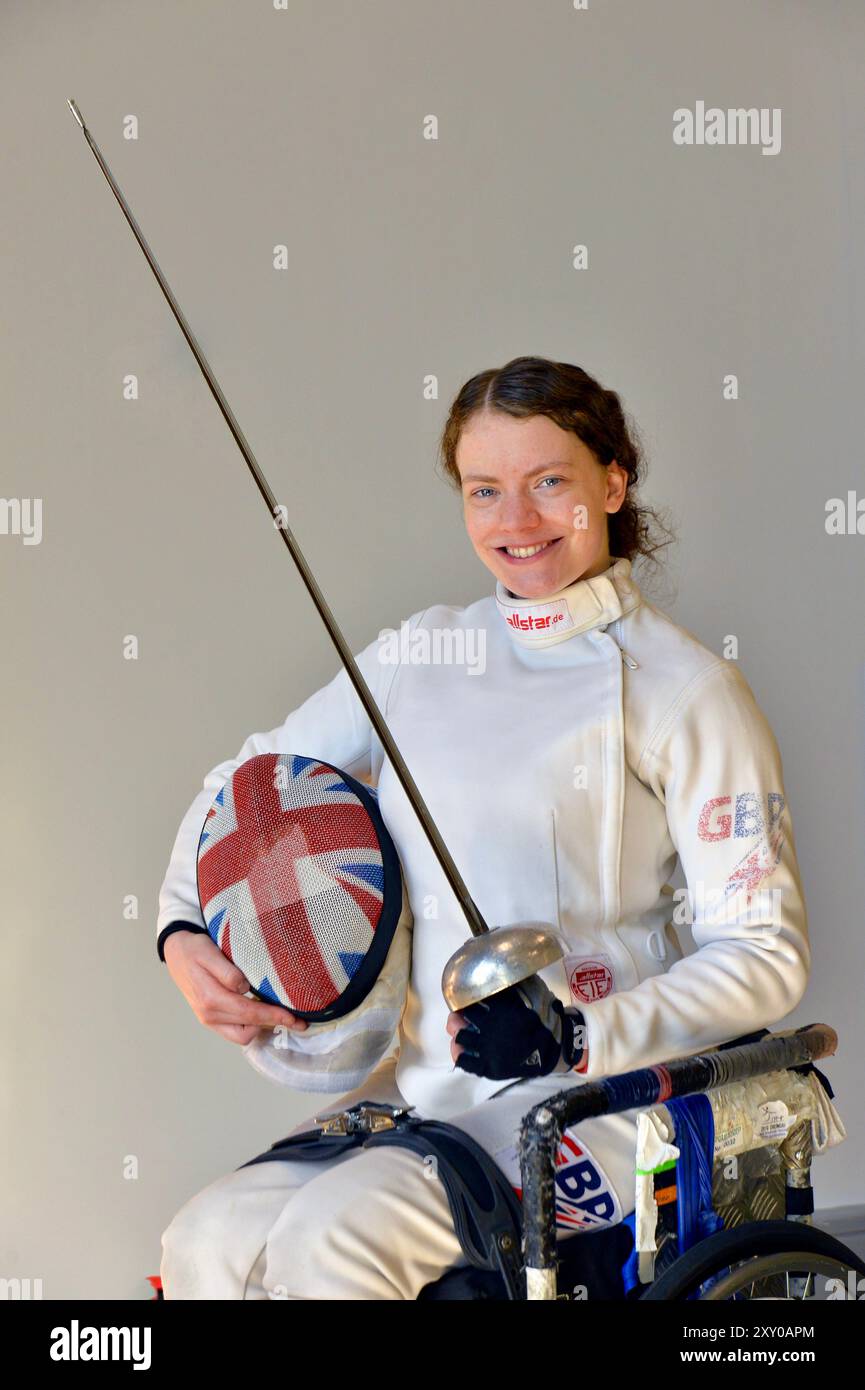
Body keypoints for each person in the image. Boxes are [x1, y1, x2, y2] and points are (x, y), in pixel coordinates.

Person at [156, 355, 810, 1299]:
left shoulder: (684, 689)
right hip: (429, 1090)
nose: (516, 521)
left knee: (331, 1247)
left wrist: (574, 1036)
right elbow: (247, 782)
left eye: (550, 482)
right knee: (206, 1242)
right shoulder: (421, 653)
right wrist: (182, 927)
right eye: (485, 490)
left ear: (612, 483)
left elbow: (764, 952)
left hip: (602, 1095)